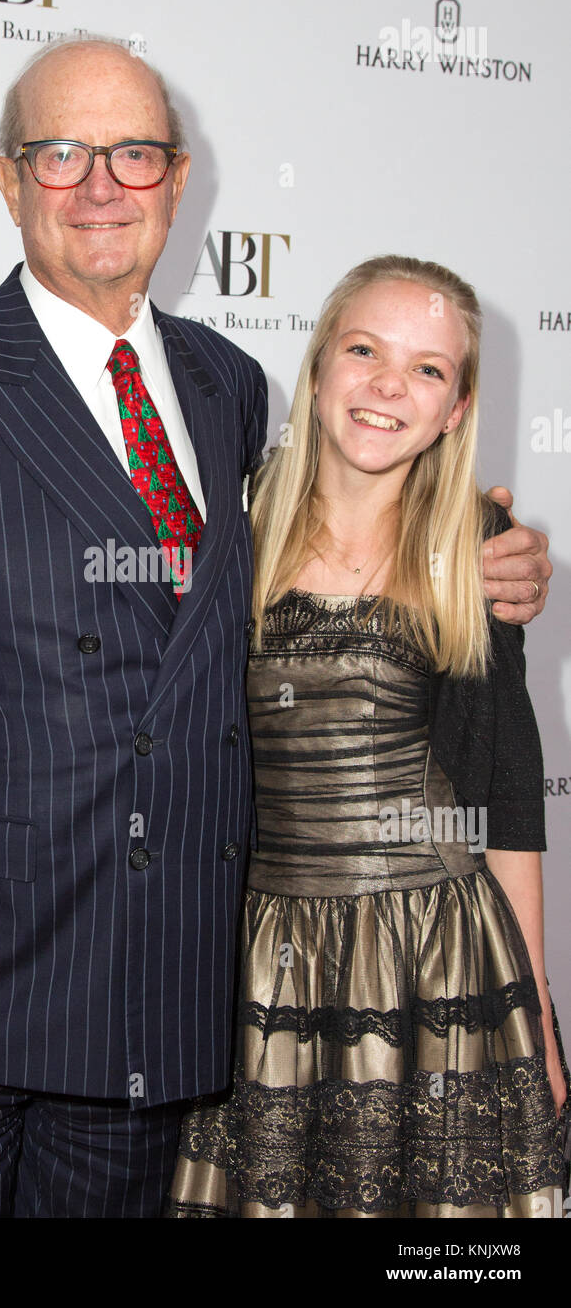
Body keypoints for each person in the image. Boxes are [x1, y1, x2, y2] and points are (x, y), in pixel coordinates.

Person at [0, 35, 551, 1218]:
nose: (99, 185)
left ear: (177, 184)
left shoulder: (224, 388)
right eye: (61, 152)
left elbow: (338, 536)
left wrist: (486, 546)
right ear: (6, 179)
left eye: (133, 155)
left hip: (155, 1011)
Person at [167, 255, 568, 1218]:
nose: (391, 385)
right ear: (317, 369)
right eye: (365, 350)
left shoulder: (476, 545)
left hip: (440, 956)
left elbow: (507, 794)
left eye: (429, 369)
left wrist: (538, 1008)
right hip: (265, 958)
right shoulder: (231, 520)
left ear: (457, 410)